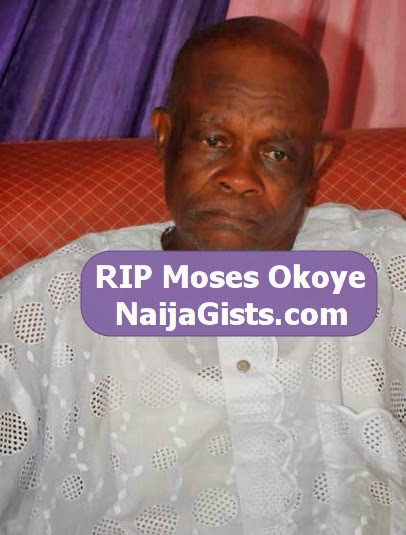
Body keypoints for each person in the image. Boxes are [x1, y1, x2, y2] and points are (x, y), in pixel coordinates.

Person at [0, 16, 405, 535]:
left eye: (276, 153)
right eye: (214, 140)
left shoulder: (384, 265)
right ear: (165, 136)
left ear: (315, 163)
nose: (239, 177)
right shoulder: (55, 303)